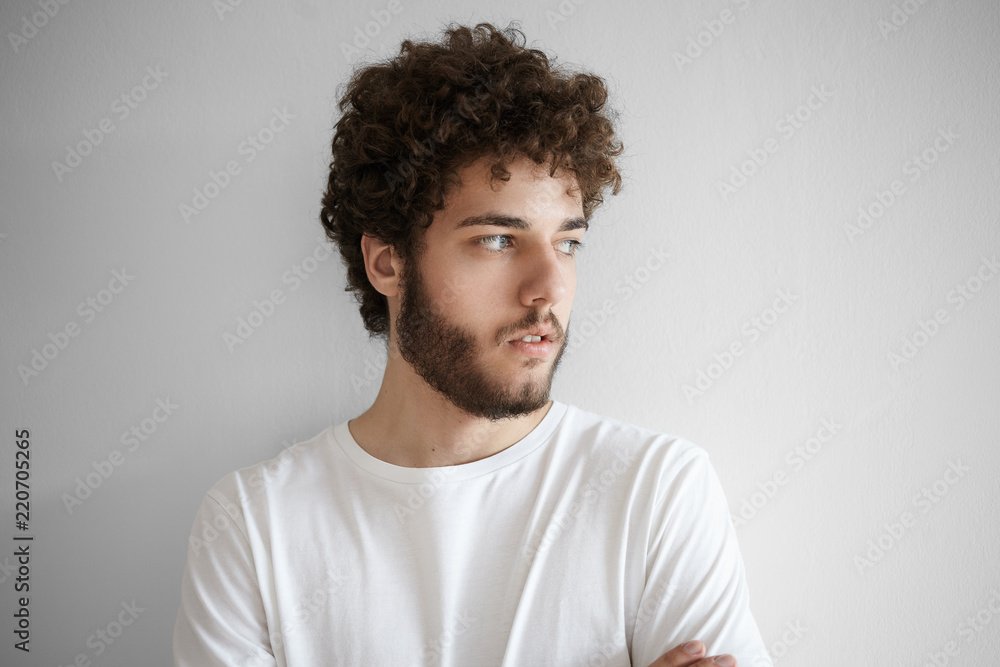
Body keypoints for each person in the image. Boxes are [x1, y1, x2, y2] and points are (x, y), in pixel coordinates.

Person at [173, 22, 772, 667]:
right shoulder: (253, 525)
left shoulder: (654, 491)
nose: (549, 288)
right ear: (387, 263)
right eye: (497, 240)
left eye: (568, 243)